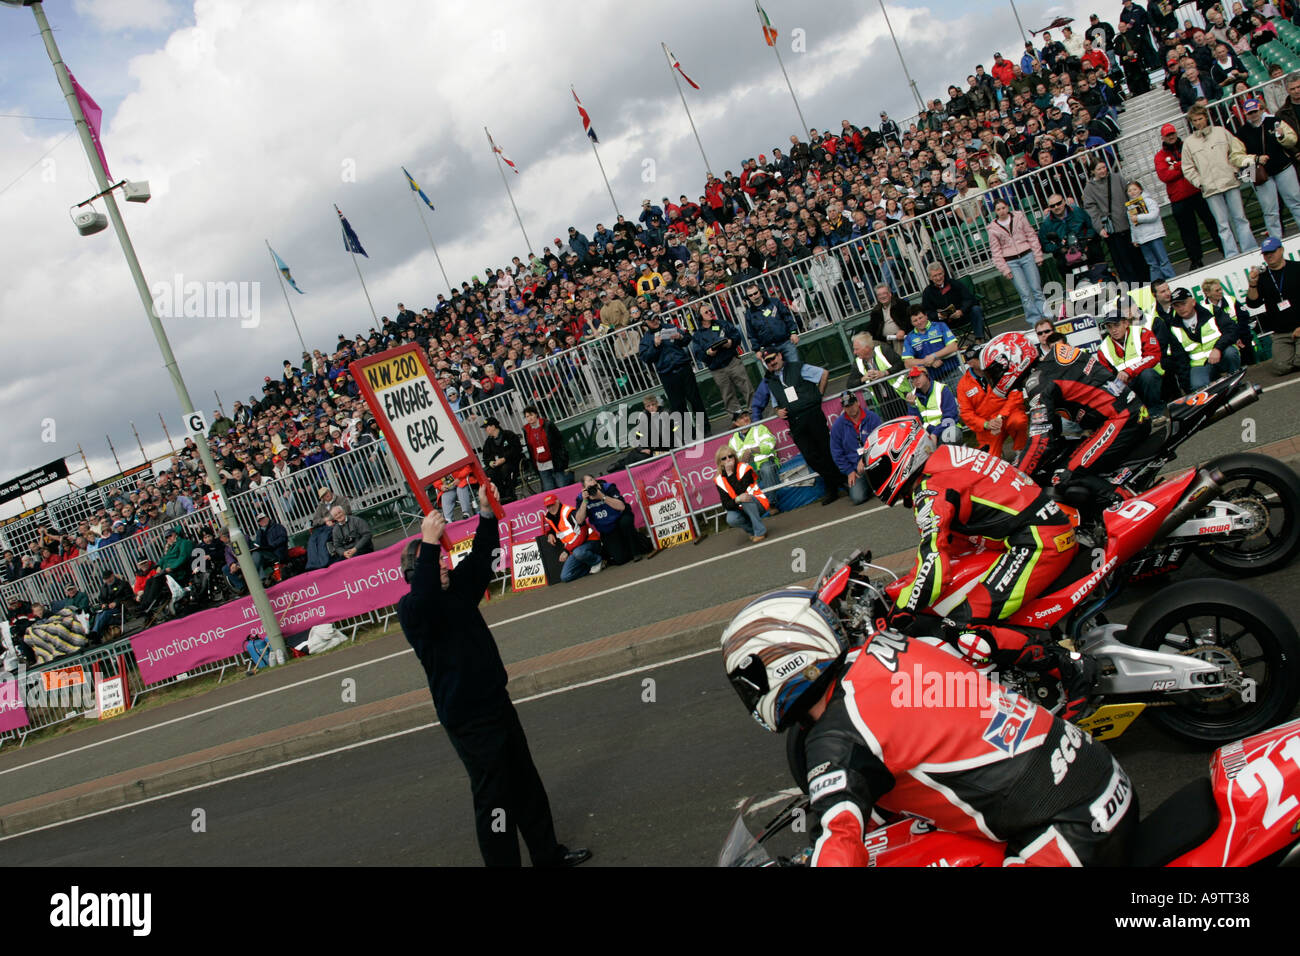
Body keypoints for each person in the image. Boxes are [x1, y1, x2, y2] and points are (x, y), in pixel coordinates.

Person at [723, 595, 1135, 866]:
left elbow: (840, 836)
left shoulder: (836, 737)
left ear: (776, 669)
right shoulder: (885, 647)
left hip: (1070, 830)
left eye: (747, 683)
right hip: (1097, 773)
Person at [397, 491, 591, 867]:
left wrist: (487, 515)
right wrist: (429, 541)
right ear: (414, 573)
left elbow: (483, 560)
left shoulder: (456, 589)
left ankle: (548, 856)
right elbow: (423, 596)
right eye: (433, 562)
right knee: (494, 801)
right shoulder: (414, 608)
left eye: (441, 560)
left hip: (495, 701)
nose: (442, 565)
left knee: (526, 785)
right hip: (467, 718)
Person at [859, 414, 1096, 719]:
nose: (876, 480)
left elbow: (934, 565)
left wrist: (900, 612)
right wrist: (900, 589)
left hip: (1037, 541)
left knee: (960, 628)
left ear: (901, 456)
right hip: (1032, 531)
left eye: (878, 470)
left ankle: (1071, 666)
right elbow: (945, 547)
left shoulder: (932, 488)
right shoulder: (944, 459)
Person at [982, 331, 1150, 510]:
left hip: (1121, 420)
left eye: (994, 372)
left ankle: (1128, 507)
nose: (994, 379)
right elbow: (1051, 435)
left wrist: (1011, 478)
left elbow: (1041, 441)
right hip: (1127, 413)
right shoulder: (1050, 365)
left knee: (1064, 476)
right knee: (1057, 463)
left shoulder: (1038, 383)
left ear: (1012, 361)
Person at [750, 347, 842, 505]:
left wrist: (818, 396)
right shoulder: (770, 380)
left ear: (780, 356)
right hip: (795, 422)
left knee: (825, 451)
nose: (772, 362)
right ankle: (840, 480)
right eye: (768, 361)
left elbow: (823, 374)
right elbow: (775, 404)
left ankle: (833, 488)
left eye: (773, 358)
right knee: (810, 456)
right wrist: (778, 411)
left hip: (812, 415)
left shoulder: (797, 367)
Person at [1180, 103, 1257, 257]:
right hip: (1210, 188)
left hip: (1230, 181)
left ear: (1206, 117)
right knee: (1222, 225)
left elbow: (1237, 150)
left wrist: (1235, 169)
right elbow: (1187, 168)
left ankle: (1250, 250)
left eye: (1200, 119)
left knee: (1240, 218)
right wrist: (1200, 182)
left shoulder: (1221, 132)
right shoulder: (1189, 143)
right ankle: (1231, 254)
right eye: (1194, 120)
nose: (1197, 123)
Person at [1155, 122, 1221, 269]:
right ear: (1163, 137)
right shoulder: (1160, 156)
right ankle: (1195, 260)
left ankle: (1225, 249)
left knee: (1212, 223)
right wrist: (1183, 166)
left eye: (1172, 134)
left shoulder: (1188, 145)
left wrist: (1175, 166)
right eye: (1168, 135)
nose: (1171, 137)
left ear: (1176, 133)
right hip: (1179, 198)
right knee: (1188, 232)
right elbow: (1165, 175)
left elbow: (1198, 163)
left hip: (1198, 191)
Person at [1235, 97, 1300, 243]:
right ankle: (1276, 242)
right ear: (1245, 114)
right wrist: (1256, 159)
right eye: (1250, 113)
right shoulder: (1241, 133)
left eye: (1255, 111)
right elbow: (1236, 157)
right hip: (1260, 173)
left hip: (1283, 167)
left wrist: (1282, 135)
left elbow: (1292, 140)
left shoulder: (1274, 121)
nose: (1253, 115)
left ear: (1261, 109)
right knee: (1270, 211)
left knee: (1296, 202)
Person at [638, 311, 707, 432]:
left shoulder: (669, 327)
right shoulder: (646, 339)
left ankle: (705, 429)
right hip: (667, 374)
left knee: (695, 399)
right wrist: (655, 345)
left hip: (683, 367)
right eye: (651, 320)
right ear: (646, 323)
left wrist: (680, 337)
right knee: (678, 406)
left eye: (656, 318)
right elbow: (646, 358)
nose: (655, 321)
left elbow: (687, 338)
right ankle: (689, 433)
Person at [1165, 286, 1242, 391]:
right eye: (1176, 306)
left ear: (1193, 302)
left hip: (1221, 354)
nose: (1181, 308)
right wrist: (1187, 387)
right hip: (1199, 363)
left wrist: (1218, 349)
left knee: (1231, 353)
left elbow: (1231, 330)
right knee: (1198, 387)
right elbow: (1179, 359)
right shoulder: (1173, 327)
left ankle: (1236, 384)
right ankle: (1214, 382)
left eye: (1183, 304)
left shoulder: (1211, 310)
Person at [1082, 160, 1147, 283]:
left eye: (1103, 167)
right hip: (1111, 230)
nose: (1102, 171)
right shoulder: (1089, 188)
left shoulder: (1117, 178)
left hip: (1129, 225)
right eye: (1099, 169)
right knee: (1121, 262)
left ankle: (1146, 282)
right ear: (1092, 172)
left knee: (1138, 258)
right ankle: (1131, 286)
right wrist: (1099, 228)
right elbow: (1091, 209)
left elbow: (1129, 195)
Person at [987, 198, 1048, 326]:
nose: (1002, 211)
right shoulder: (992, 229)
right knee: (1025, 294)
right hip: (1011, 262)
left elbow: (1031, 235)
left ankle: (1047, 317)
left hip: (1027, 255)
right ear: (995, 212)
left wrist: (1038, 255)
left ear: (1008, 207)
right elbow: (996, 252)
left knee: (1037, 289)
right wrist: (1004, 269)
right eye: (998, 209)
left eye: (1003, 208)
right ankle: (1035, 322)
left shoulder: (1019, 217)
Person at [1246, 236, 1300, 375]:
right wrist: (1253, 283)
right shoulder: (1262, 277)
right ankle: (1293, 357)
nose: (1269, 256)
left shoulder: (1296, 268)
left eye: (1272, 252)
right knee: (1280, 368)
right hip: (1281, 332)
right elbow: (1253, 303)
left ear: (1281, 250)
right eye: (1265, 253)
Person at [956, 357, 1028, 458]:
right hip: (987, 426)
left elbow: (1015, 395)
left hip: (1007, 416)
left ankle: (1022, 453)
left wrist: (1000, 416)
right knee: (989, 460)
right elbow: (966, 413)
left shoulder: (1001, 370)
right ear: (970, 363)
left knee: (1018, 421)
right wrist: (986, 424)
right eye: (979, 357)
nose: (983, 359)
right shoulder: (963, 385)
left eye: (983, 356)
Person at [690, 303, 753, 418]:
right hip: (717, 368)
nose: (710, 313)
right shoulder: (697, 335)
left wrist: (730, 342)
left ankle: (755, 410)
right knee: (727, 394)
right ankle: (737, 418)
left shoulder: (722, 323)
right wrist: (708, 353)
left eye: (710, 310)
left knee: (746, 386)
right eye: (706, 312)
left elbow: (736, 335)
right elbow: (698, 354)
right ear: (700, 317)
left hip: (732, 361)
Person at [1096, 312, 1166, 413]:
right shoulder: (1103, 348)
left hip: (1150, 380)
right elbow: (1106, 375)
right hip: (1126, 386)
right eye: (1109, 327)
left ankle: (1156, 413)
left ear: (1126, 323)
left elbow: (1153, 356)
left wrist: (1129, 371)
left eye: (1116, 325)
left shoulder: (1141, 332)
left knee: (1148, 375)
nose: (1113, 330)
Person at [572, 475, 645, 566]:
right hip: (607, 528)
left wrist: (602, 497)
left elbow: (621, 506)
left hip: (620, 518)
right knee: (620, 560)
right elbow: (579, 520)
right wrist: (585, 501)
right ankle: (628, 546)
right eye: (588, 484)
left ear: (595, 481)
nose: (592, 484)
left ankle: (636, 551)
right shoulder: (581, 498)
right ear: (584, 488)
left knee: (625, 522)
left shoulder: (608, 487)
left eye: (592, 480)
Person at [829, 390, 882, 505]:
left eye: (852, 404)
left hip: (876, 463)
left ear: (858, 402)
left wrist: (865, 458)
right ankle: (865, 485)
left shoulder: (872, 418)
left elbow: (882, 439)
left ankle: (873, 485)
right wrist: (849, 471)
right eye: (847, 406)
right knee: (858, 498)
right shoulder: (838, 426)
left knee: (887, 489)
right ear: (843, 408)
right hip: (856, 470)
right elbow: (836, 453)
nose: (851, 408)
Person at [714, 445, 771, 542]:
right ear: (720, 462)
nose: (728, 460)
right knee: (731, 519)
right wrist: (737, 500)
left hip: (758, 503)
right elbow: (726, 504)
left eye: (730, 456)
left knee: (745, 498)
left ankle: (760, 531)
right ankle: (753, 531)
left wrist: (730, 474)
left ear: (734, 457)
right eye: (724, 458)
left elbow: (741, 490)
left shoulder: (744, 468)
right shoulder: (719, 480)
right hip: (741, 507)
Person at [920, 263, 988, 342]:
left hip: (962, 316)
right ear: (930, 277)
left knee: (976, 309)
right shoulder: (927, 292)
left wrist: (961, 311)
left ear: (944, 273)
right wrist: (937, 315)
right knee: (930, 323)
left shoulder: (955, 284)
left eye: (940, 274)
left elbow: (969, 299)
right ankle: (946, 348)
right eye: (935, 276)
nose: (938, 278)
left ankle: (979, 339)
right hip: (944, 323)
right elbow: (926, 312)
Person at [1125, 180, 1176, 281]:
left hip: (1154, 235)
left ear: (1140, 189)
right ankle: (1157, 285)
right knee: (1152, 264)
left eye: (1134, 189)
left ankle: (1172, 280)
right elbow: (1132, 225)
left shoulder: (1149, 201)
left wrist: (1138, 218)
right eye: (1129, 191)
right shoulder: (1129, 206)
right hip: (1142, 239)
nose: (1132, 192)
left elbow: (1154, 215)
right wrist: (1134, 238)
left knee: (1163, 260)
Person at [742, 284, 800, 365]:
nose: (754, 296)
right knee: (779, 375)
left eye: (755, 293)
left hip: (786, 343)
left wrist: (793, 332)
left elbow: (787, 317)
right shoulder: (749, 314)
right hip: (768, 350)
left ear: (760, 292)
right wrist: (757, 350)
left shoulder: (775, 302)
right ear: (748, 297)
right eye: (750, 295)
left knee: (795, 368)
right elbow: (751, 334)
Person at [904, 366, 961, 444]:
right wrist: (912, 406)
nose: (915, 380)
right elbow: (914, 423)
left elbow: (950, 417)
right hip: (926, 434)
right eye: (912, 378)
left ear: (926, 375)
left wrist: (935, 433)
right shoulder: (912, 396)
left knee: (951, 435)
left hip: (945, 429)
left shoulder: (942, 389)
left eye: (918, 376)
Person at [901, 304, 960, 378]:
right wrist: (926, 362)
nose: (919, 322)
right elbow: (907, 363)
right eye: (915, 320)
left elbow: (953, 346)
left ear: (926, 315)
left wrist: (933, 356)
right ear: (911, 323)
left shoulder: (940, 326)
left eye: (920, 318)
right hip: (931, 380)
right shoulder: (909, 338)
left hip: (953, 373)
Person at [522, 405, 573, 492]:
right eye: (527, 416)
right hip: (540, 464)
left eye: (531, 415)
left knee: (562, 486)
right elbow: (530, 448)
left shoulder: (548, 424)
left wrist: (562, 456)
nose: (529, 418)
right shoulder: (526, 430)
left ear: (536, 414)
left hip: (554, 460)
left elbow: (559, 440)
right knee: (548, 490)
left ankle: (570, 477)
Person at [728, 410, 781, 492]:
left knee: (766, 469)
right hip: (748, 468)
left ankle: (771, 502)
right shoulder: (733, 440)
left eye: (746, 416)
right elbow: (734, 461)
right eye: (741, 418)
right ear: (736, 423)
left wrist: (751, 450)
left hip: (766, 462)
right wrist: (743, 458)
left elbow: (769, 445)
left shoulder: (760, 428)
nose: (745, 418)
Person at [481, 417, 523, 504]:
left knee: (505, 469)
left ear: (493, 426)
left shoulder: (508, 435)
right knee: (489, 473)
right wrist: (490, 462)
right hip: (497, 466)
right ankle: (501, 495)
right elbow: (485, 457)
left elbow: (517, 448)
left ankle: (510, 495)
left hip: (513, 462)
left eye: (487, 427)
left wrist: (504, 458)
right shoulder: (488, 442)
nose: (486, 430)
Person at [91, 570, 134, 639]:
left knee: (105, 614)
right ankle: (96, 634)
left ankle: (96, 634)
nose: (108, 580)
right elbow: (101, 598)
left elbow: (129, 595)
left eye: (109, 578)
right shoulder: (104, 587)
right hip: (109, 608)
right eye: (106, 579)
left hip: (120, 607)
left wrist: (116, 603)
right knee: (99, 614)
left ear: (112, 576)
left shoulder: (123, 584)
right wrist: (103, 604)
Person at [251, 512, 289, 581]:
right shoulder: (260, 532)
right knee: (257, 555)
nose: (262, 521)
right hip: (266, 553)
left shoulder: (278, 527)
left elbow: (283, 538)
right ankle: (262, 579)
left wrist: (272, 545)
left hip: (277, 552)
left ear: (267, 518)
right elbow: (257, 544)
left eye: (263, 519)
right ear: (258, 523)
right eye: (260, 521)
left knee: (257, 556)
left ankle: (259, 578)